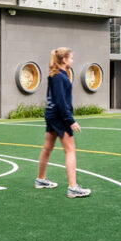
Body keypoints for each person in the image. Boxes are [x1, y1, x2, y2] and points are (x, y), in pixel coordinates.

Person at [35, 47, 89, 198]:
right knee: (70, 149)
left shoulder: (56, 75)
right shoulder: (59, 76)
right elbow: (61, 101)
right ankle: (73, 188)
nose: (72, 60)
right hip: (58, 116)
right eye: (71, 58)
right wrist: (70, 120)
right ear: (64, 60)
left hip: (51, 115)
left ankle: (40, 179)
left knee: (47, 148)